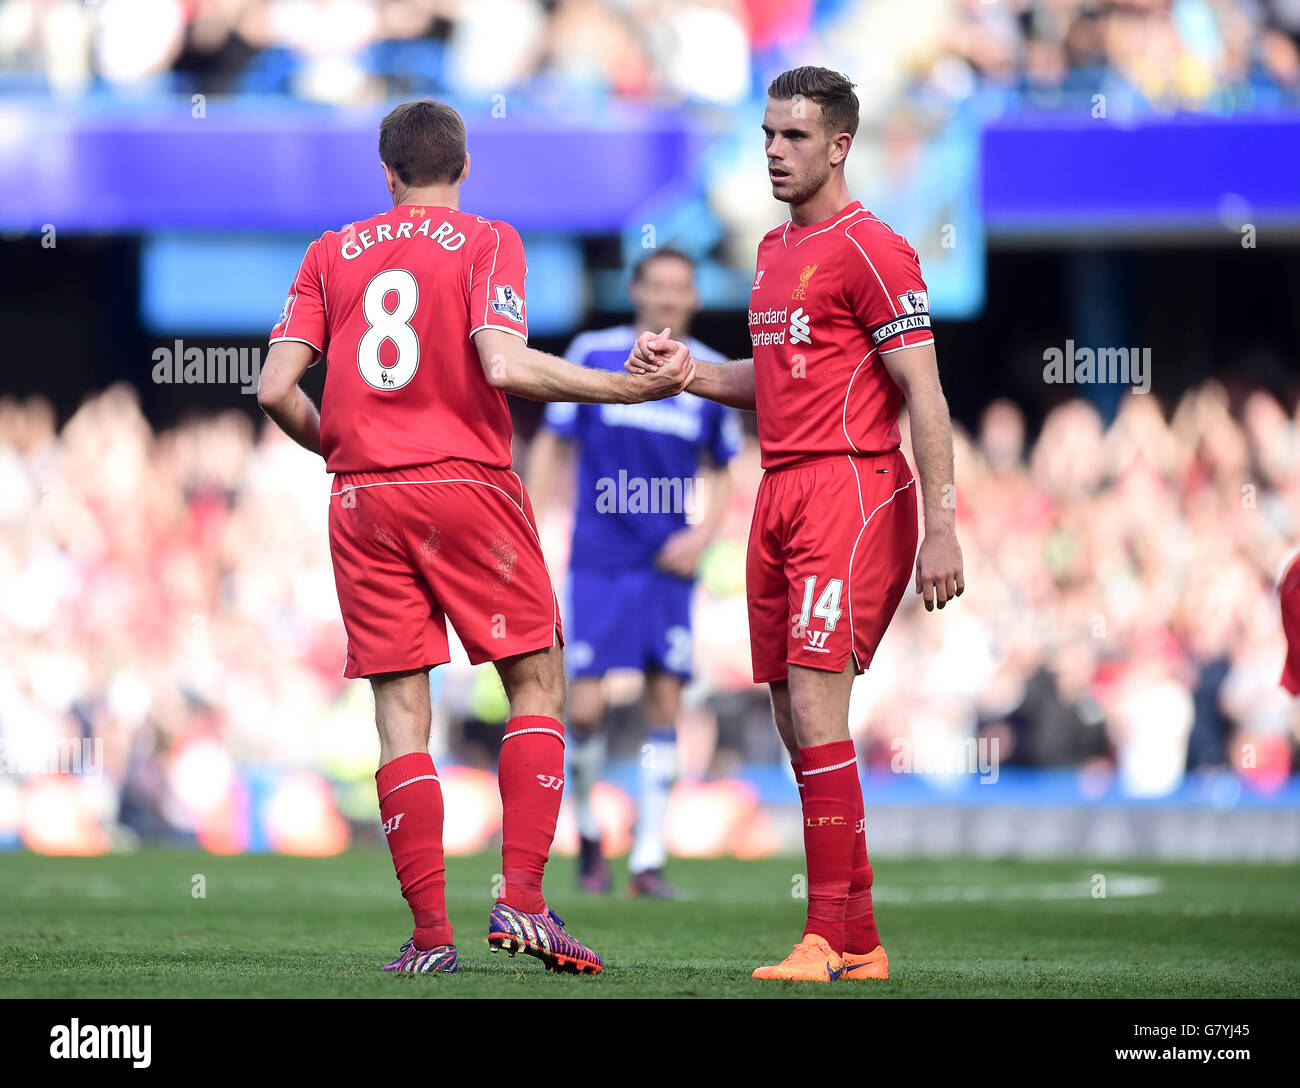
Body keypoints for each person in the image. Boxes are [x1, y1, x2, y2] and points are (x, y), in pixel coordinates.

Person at [256, 99, 693, 975]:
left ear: (386, 174)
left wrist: (343, 443)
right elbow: (503, 363)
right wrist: (626, 390)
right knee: (535, 681)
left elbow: (273, 390)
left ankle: (429, 940)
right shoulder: (490, 239)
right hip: (464, 483)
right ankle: (524, 902)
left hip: (360, 499)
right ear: (463, 168)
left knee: (399, 716)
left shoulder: (326, 254)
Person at [627, 66, 966, 982]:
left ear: (841, 146)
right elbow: (772, 382)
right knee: (789, 711)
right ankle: (859, 941)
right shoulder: (775, 253)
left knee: (817, 707)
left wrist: (942, 523)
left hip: (850, 493)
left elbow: (922, 393)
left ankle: (821, 936)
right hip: (778, 492)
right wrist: (690, 371)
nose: (775, 150)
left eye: (795, 137)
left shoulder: (874, 250)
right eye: (770, 134)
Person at [527, 248, 742, 898]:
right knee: (585, 706)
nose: (668, 299)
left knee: (666, 701)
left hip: (666, 563)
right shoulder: (594, 352)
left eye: (681, 289)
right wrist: (537, 523)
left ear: (694, 298)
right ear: (636, 290)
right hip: (599, 555)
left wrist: (702, 536)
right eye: (658, 286)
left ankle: (647, 857)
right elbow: (553, 440)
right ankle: (591, 833)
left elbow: (723, 468)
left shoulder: (704, 373)